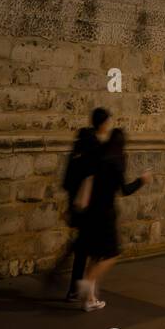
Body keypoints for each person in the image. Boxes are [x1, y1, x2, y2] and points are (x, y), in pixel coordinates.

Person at [74, 107, 152, 312]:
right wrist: (142, 180)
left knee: (95, 255)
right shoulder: (116, 163)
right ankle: (86, 285)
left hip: (91, 211)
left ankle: (89, 300)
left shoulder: (100, 156)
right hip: (105, 213)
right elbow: (125, 190)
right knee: (111, 255)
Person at [61, 118, 101, 301]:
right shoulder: (89, 162)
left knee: (81, 250)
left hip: (77, 211)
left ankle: (76, 289)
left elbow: (66, 184)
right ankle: (86, 292)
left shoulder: (74, 158)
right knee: (95, 251)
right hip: (89, 212)